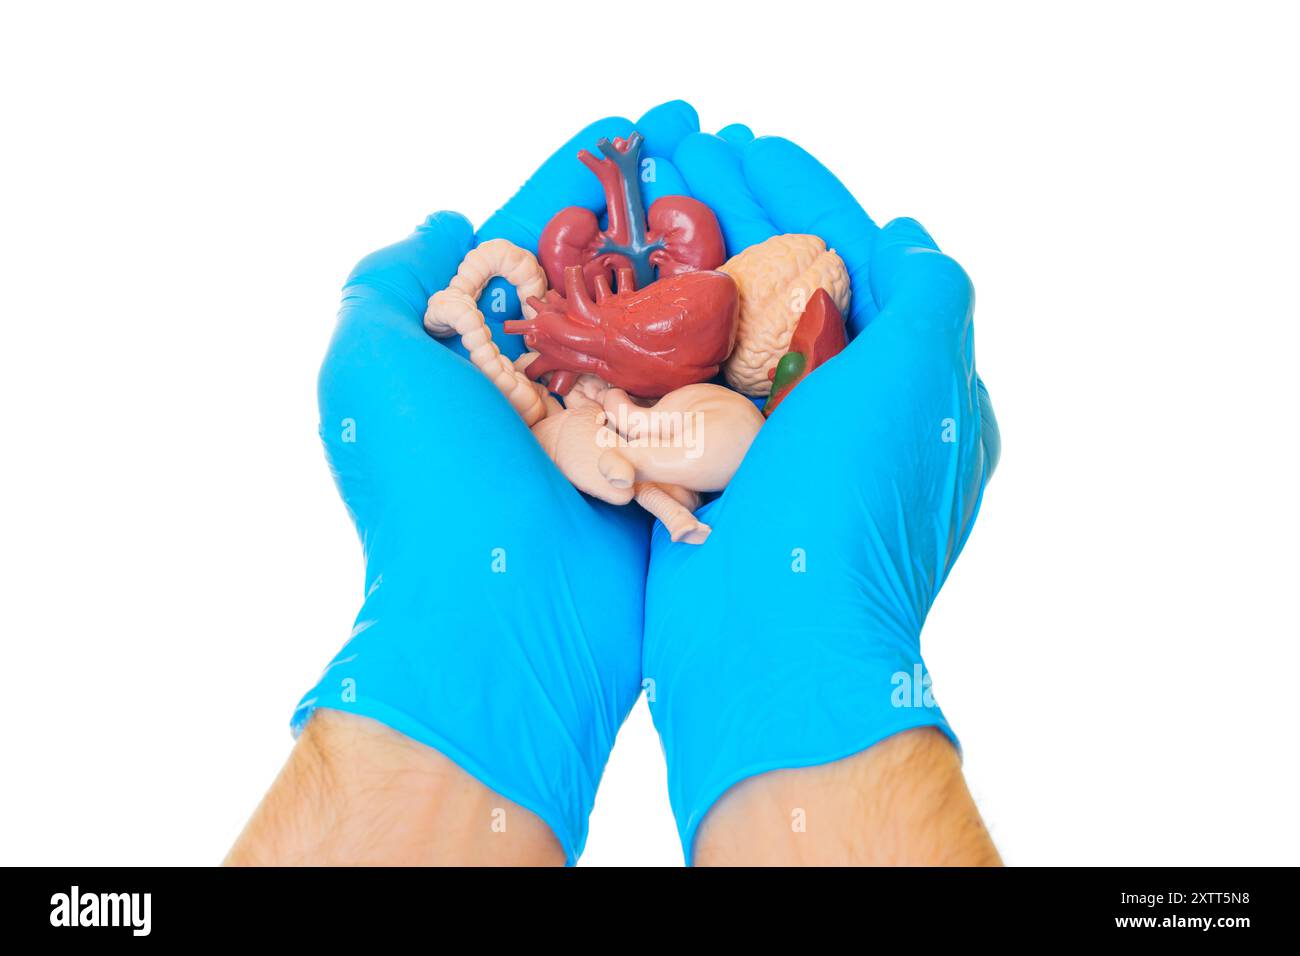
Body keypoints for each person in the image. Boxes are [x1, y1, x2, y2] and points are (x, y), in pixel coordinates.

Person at [225, 101, 1002, 867]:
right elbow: (617, 434)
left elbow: (663, 440)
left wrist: (456, 680)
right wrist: (798, 664)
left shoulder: (698, 365)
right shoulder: (602, 390)